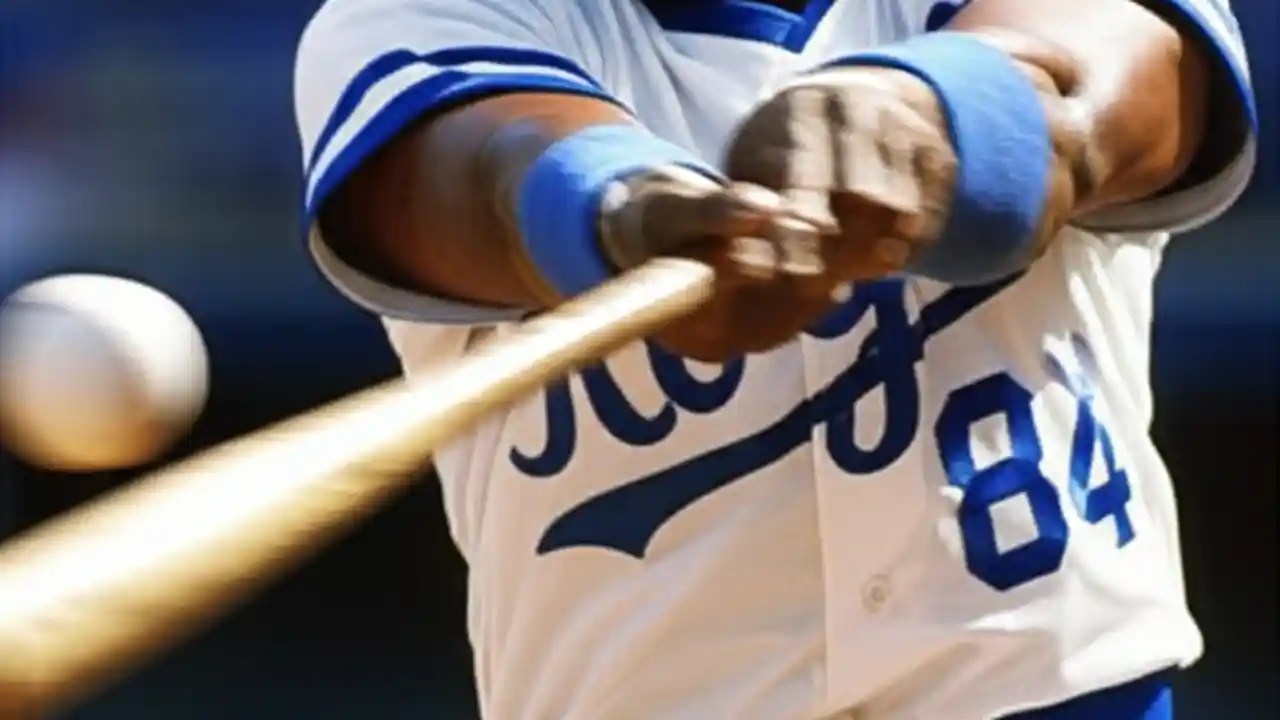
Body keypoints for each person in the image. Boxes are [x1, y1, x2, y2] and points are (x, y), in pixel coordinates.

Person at [293, 0, 1256, 717]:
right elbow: (488, 171)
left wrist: (931, 109)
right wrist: (619, 212)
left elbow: (1086, 96)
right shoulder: (398, 18)